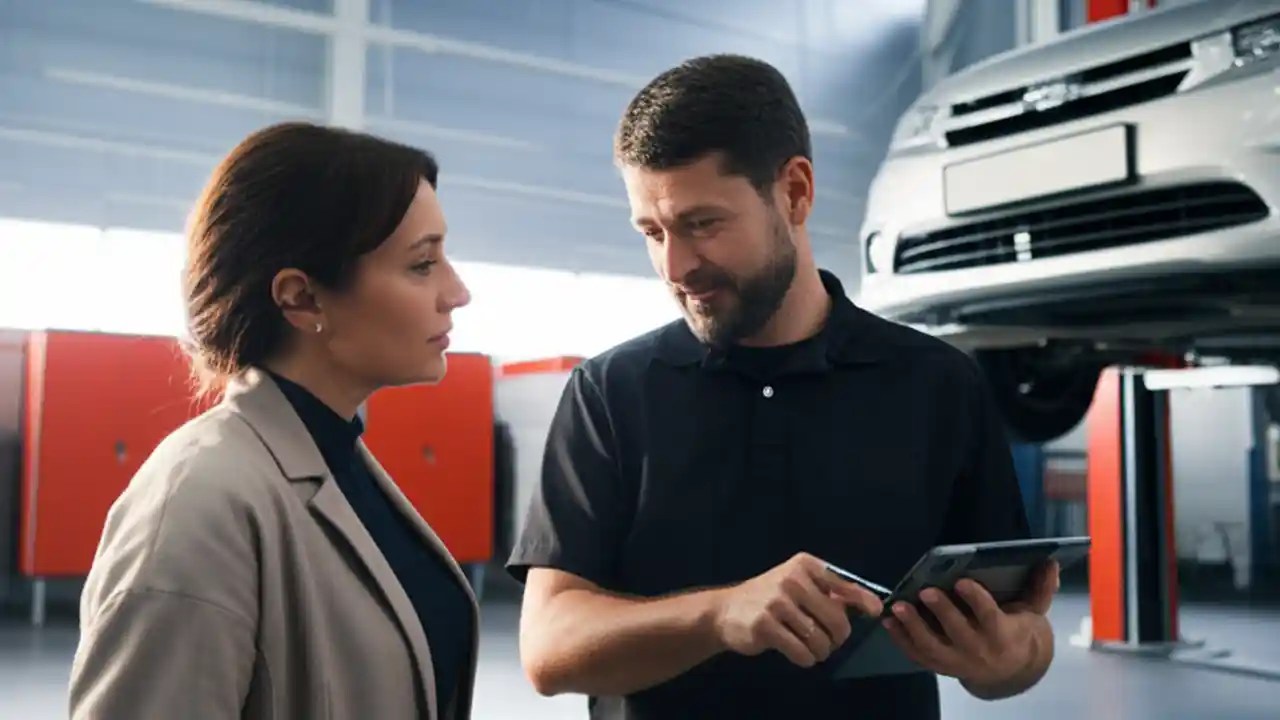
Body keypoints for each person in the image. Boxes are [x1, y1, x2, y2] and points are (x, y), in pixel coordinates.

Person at [506, 54, 1059, 719]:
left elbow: (1020, 644)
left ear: (795, 192)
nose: (676, 266)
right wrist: (720, 615)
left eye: (702, 224)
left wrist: (1008, 659)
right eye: (652, 232)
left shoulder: (940, 385)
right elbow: (548, 649)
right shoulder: (610, 393)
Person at [69, 122, 478, 720]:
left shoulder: (338, 461)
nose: (457, 292)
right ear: (301, 298)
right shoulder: (199, 502)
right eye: (422, 265)